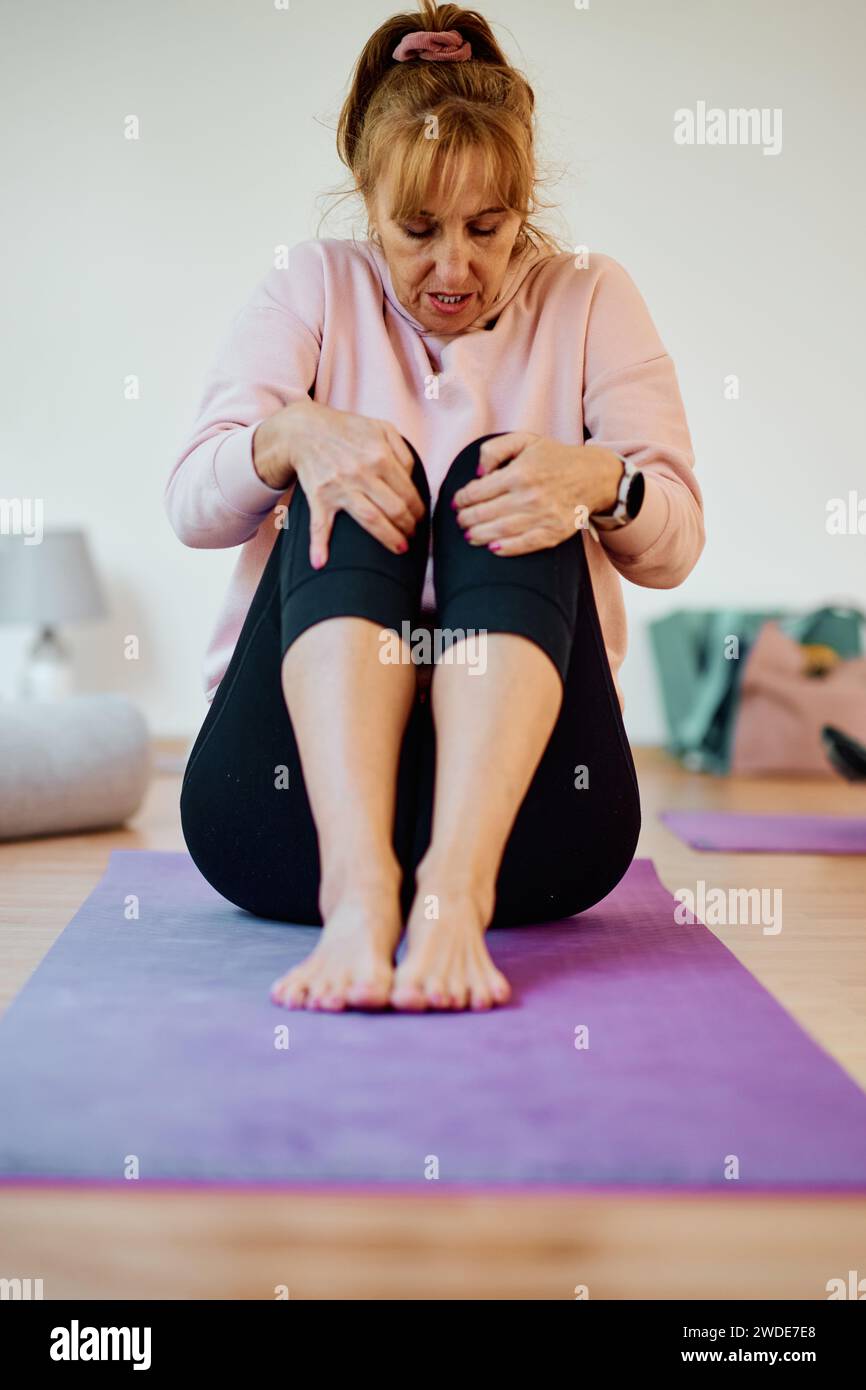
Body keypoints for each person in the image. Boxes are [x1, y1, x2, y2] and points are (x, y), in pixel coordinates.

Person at [168, 2, 704, 1014]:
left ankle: (450, 896)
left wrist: (597, 480)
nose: (452, 267)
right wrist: (291, 440)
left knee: (500, 482)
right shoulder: (310, 285)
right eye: (416, 231)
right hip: (278, 823)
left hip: (535, 837)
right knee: (364, 469)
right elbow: (192, 505)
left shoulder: (590, 296)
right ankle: (360, 895)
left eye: (485, 227)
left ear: (522, 205)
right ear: (366, 205)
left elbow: (672, 540)